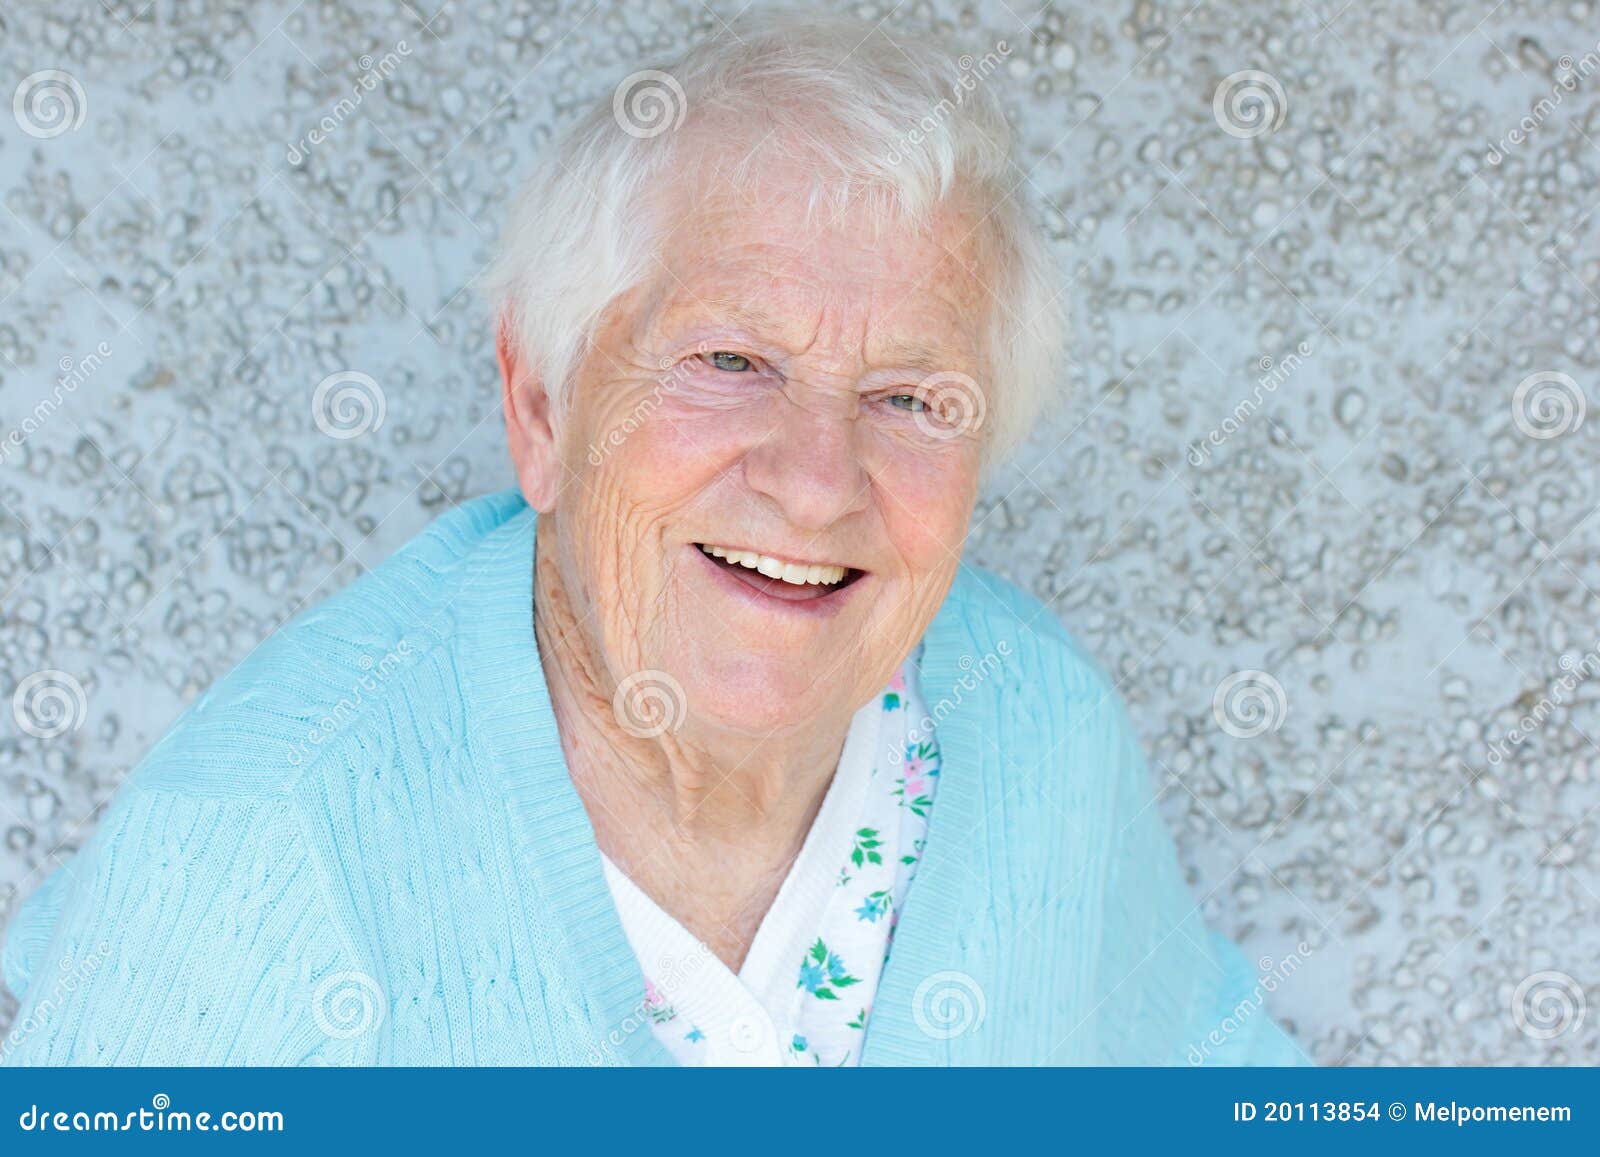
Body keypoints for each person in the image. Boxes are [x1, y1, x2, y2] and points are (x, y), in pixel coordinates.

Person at [1, 10, 1303, 1066]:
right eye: (730, 359)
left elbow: (1207, 1079)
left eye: (908, 396)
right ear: (540, 407)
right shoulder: (254, 856)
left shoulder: (1038, 725)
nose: (813, 482)